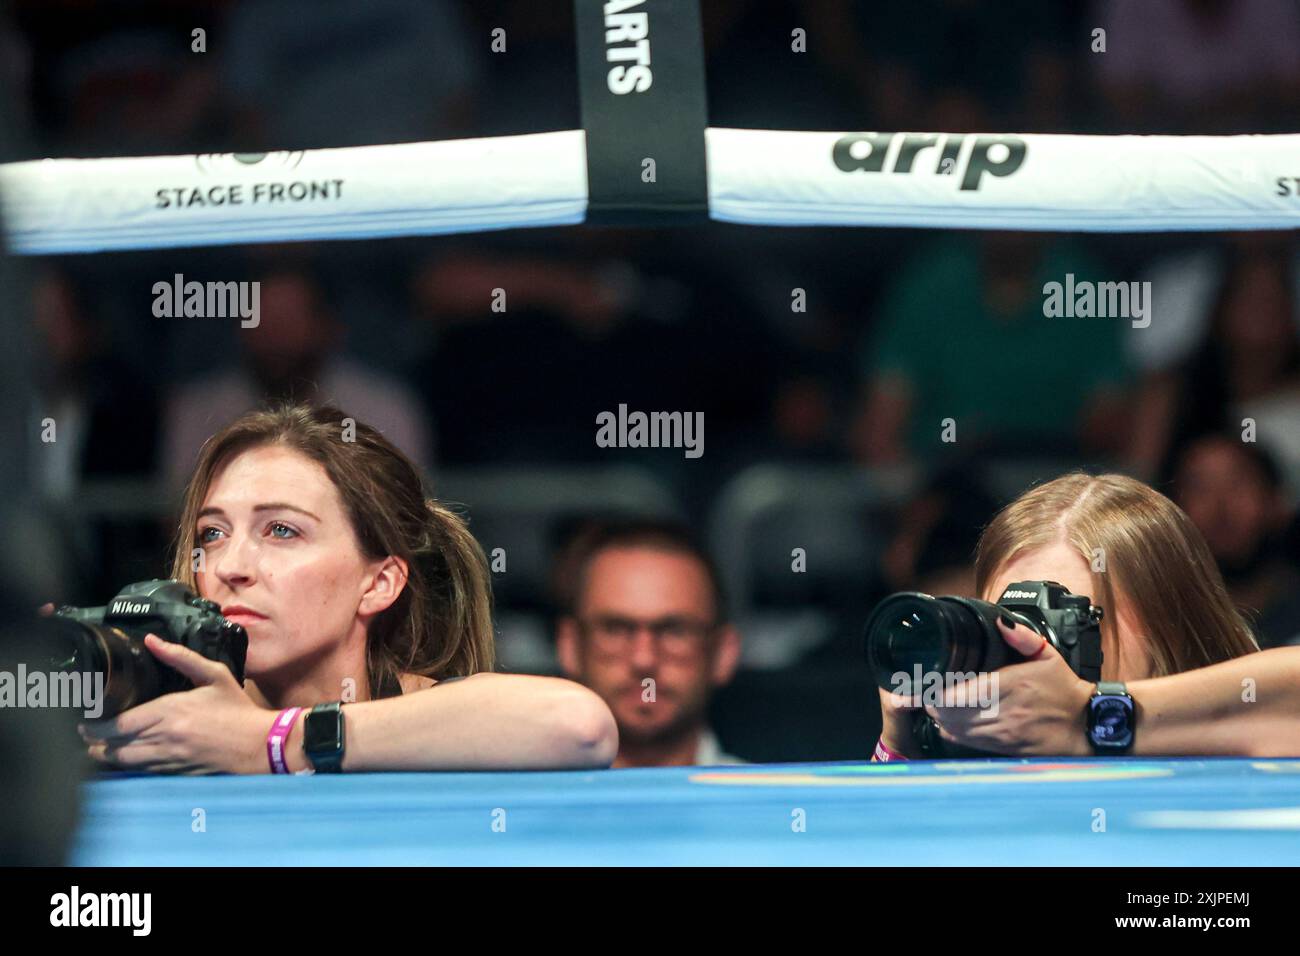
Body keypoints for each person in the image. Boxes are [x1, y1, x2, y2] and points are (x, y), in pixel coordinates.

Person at [78, 403, 617, 773]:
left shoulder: (438, 718)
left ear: (379, 582)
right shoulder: (161, 725)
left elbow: (579, 725)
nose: (229, 566)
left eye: (281, 530)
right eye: (212, 534)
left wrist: (268, 742)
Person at [877, 472, 1261, 759]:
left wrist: (1087, 712)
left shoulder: (1251, 748)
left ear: (1171, 629)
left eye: (1068, 619)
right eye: (1008, 623)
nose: (1031, 654)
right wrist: (902, 749)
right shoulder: (977, 763)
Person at [554, 520, 744, 767]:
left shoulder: (773, 791)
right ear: (569, 646)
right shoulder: (521, 793)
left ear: (724, 653)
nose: (643, 660)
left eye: (675, 631)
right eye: (614, 629)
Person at [1170, 432, 1300, 648]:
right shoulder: (1162, 623)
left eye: (1238, 484)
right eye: (1199, 488)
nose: (1220, 507)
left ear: (1277, 503)